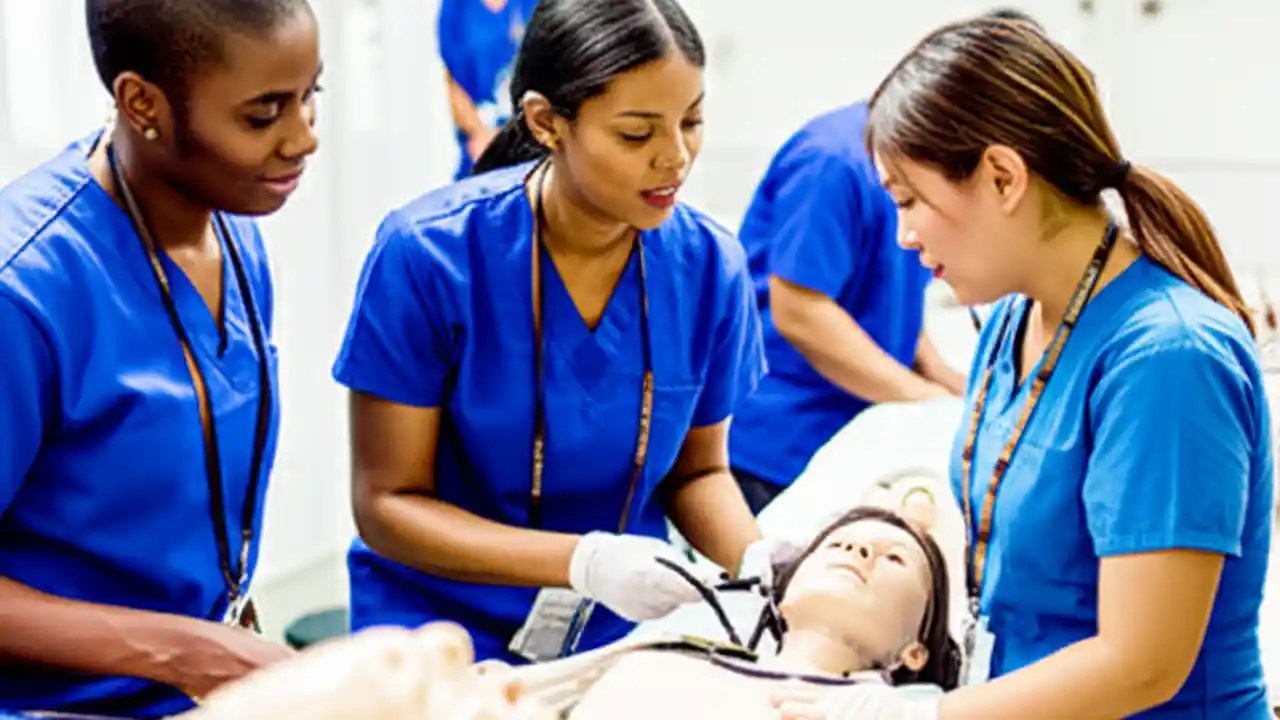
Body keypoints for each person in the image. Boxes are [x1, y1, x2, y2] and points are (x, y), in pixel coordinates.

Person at [777, 15, 1274, 719]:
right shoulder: (1015, 320)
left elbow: (1144, 664)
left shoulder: (1168, 357)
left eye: (909, 200)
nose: (903, 234)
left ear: (1003, 176)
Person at [333, 0, 771, 668]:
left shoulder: (709, 265)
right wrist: (584, 560)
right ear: (545, 122)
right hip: (436, 629)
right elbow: (387, 504)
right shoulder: (430, 256)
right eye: (636, 135)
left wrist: (762, 568)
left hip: (619, 627)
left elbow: (699, 472)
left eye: (692, 121)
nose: (675, 157)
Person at [0, 0, 321, 716]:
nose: (303, 139)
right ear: (142, 102)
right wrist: (186, 650)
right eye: (263, 115)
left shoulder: (231, 231)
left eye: (310, 98)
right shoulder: (25, 291)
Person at [726, 103, 964, 516]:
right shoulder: (833, 161)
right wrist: (925, 400)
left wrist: (944, 379)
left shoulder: (921, 164)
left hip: (849, 436)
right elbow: (800, 310)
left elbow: (885, 290)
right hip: (777, 442)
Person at [438, 0, 538, 180]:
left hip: (533, 143)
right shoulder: (457, 6)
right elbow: (452, 80)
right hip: (480, 145)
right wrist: (481, 135)